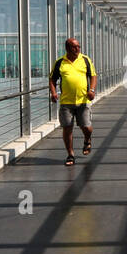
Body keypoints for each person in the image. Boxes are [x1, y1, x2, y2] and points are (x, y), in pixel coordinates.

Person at [48, 37, 95, 166]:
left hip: (83, 100)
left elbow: (93, 75)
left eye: (78, 46)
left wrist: (92, 89)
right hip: (66, 102)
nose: (78, 49)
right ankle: (70, 154)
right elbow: (52, 79)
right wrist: (53, 93)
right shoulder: (60, 62)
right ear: (68, 48)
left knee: (86, 127)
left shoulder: (85, 60)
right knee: (67, 128)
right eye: (75, 47)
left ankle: (87, 139)